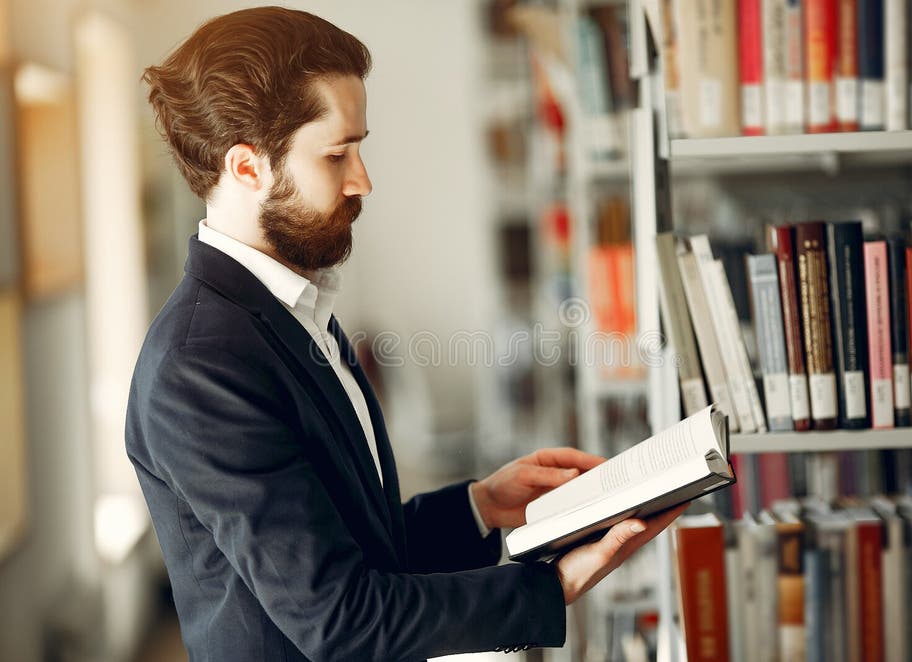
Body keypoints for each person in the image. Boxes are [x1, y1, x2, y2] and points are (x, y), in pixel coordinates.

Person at [125, 7, 684, 661]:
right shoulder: (202, 366)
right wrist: (552, 588)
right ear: (247, 168)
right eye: (338, 154)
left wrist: (480, 505)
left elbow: (353, 547)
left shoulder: (289, 309)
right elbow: (341, 618)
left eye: (360, 147)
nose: (363, 180)